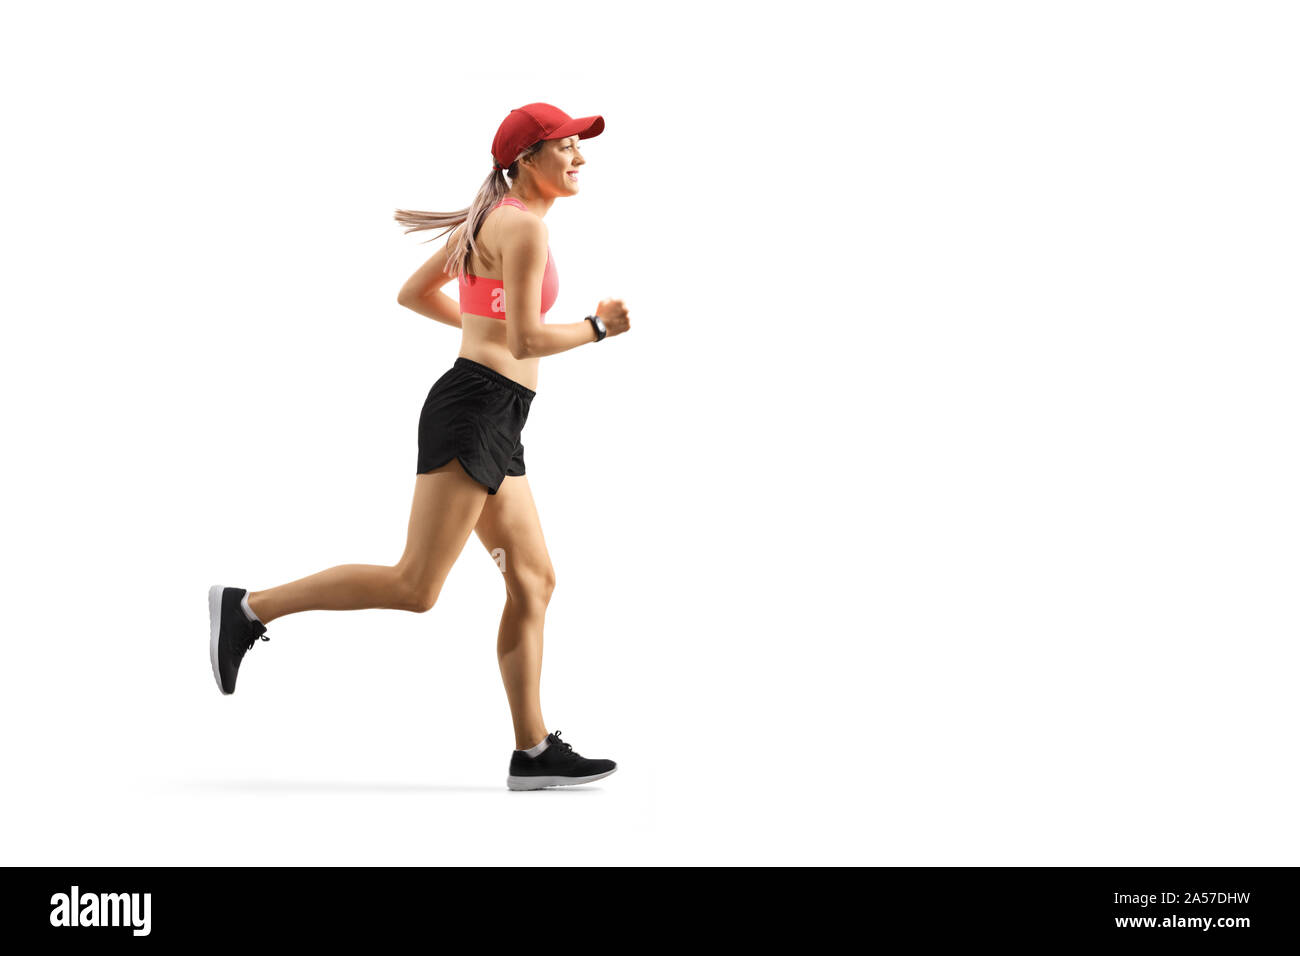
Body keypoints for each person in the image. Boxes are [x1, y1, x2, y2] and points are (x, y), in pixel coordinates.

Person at [208, 103, 631, 791]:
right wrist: (598, 328)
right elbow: (525, 339)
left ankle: (532, 753)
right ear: (527, 161)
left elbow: (416, 294)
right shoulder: (519, 229)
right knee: (416, 586)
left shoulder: (493, 219)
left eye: (581, 147)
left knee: (533, 581)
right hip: (474, 413)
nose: (579, 159)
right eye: (566, 148)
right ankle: (247, 608)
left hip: (494, 413)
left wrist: (483, 335)